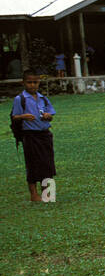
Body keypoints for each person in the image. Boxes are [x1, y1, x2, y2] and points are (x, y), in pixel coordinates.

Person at [11, 70, 56, 202]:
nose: (32, 85)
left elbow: (50, 114)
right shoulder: (20, 99)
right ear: (23, 83)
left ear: (39, 82)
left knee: (47, 163)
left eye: (35, 82)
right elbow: (15, 117)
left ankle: (47, 193)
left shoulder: (43, 98)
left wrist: (48, 116)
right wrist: (23, 116)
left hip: (45, 135)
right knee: (32, 164)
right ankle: (34, 194)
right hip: (30, 135)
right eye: (29, 82)